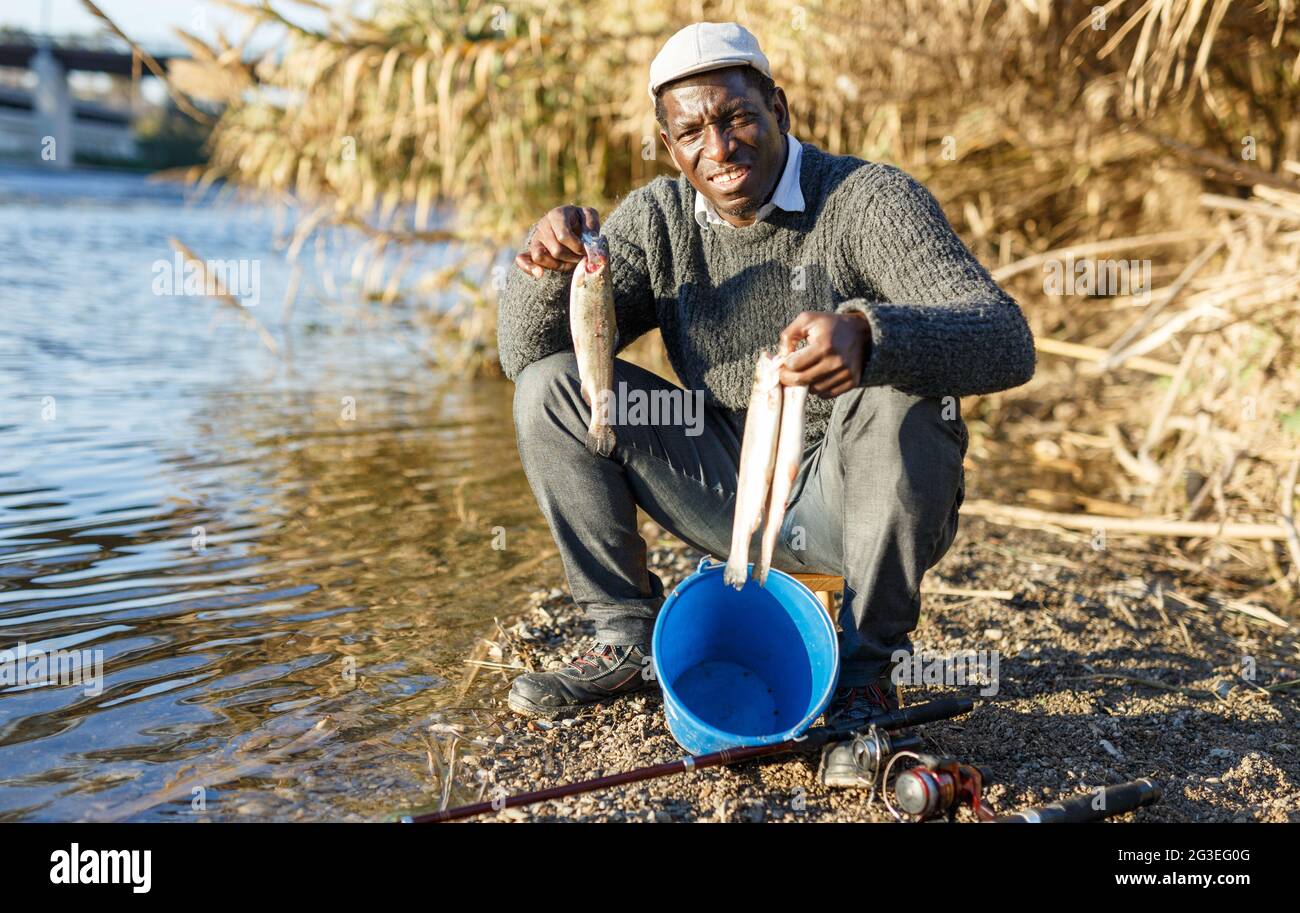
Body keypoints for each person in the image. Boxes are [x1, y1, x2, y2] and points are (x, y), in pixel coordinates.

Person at [497, 22, 1034, 731]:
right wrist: (545, 273)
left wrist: (874, 335)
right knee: (552, 390)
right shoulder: (655, 220)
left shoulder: (867, 201)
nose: (718, 148)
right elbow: (523, 359)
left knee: (905, 396)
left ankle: (869, 672)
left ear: (778, 109)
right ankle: (625, 637)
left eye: (737, 117)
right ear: (669, 146)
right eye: (692, 132)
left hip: (858, 497)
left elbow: (1006, 337)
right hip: (735, 485)